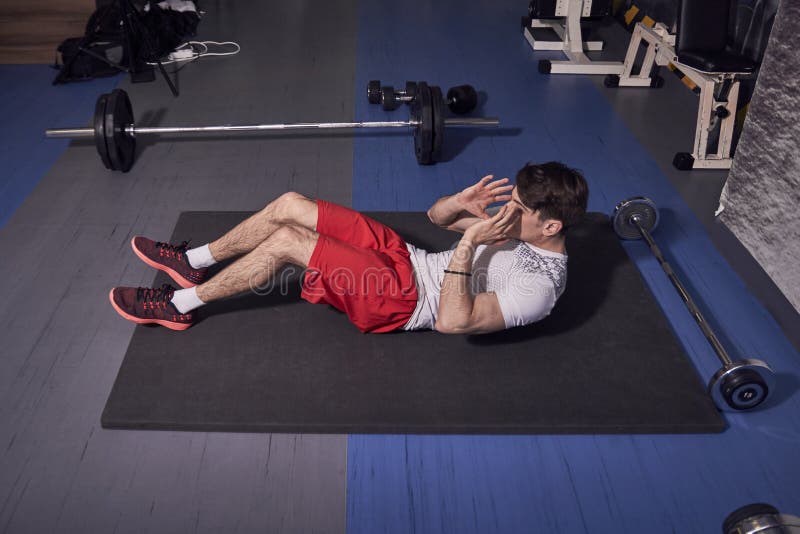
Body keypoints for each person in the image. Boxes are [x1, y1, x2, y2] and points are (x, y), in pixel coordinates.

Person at [109, 161, 589, 334]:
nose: (508, 209)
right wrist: (458, 204)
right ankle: (193, 263)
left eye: (520, 207)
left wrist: (466, 246)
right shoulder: (516, 225)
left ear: (550, 226)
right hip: (407, 260)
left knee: (288, 243)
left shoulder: (539, 289)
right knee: (293, 205)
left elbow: (452, 322)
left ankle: (179, 304)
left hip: (406, 300)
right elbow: (434, 218)